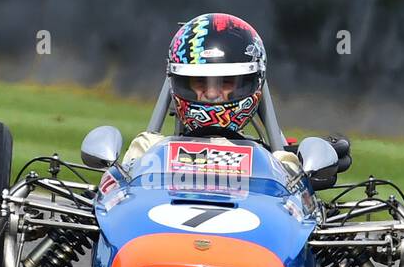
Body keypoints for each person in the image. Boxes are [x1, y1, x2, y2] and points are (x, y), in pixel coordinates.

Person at [121, 13, 351, 185]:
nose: (211, 94)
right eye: (200, 82)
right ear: (180, 83)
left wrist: (314, 162)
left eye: (225, 83)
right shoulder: (147, 147)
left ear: (250, 83)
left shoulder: (280, 163)